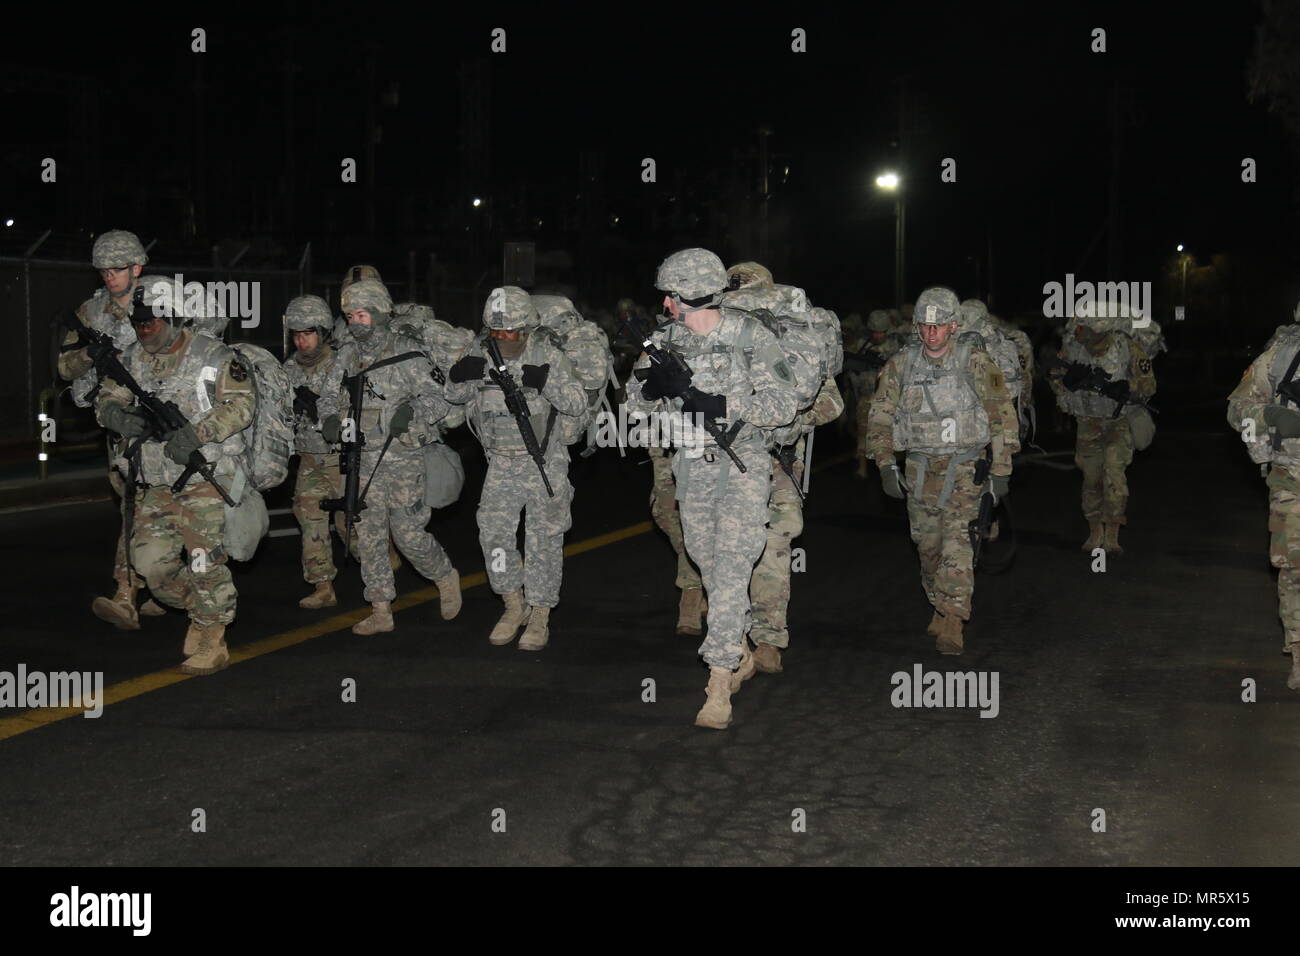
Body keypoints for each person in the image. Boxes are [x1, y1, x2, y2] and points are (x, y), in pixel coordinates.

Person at [624, 249, 799, 729]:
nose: (664, 302)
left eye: (670, 294)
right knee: (708, 562)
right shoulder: (662, 342)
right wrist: (652, 390)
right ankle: (738, 650)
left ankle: (718, 680)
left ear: (686, 294)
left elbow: (786, 402)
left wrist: (722, 403)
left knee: (732, 565)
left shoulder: (750, 336)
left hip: (742, 466)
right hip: (690, 469)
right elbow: (632, 408)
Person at [94, 277, 257, 674]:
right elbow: (107, 399)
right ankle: (205, 608)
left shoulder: (213, 355)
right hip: (155, 481)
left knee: (204, 561)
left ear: (172, 317)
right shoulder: (131, 357)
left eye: (151, 322)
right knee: (148, 564)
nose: (144, 329)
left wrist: (196, 434)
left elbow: (242, 405)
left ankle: (211, 635)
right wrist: (117, 415)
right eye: (138, 323)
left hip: (204, 477)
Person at [865, 286, 1018, 655]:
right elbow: (880, 417)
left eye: (939, 326)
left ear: (953, 326)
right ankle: (938, 600)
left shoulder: (977, 362)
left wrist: (1001, 471)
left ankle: (953, 617)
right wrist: (885, 464)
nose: (931, 333)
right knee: (928, 547)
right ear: (917, 327)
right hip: (919, 471)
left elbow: (1002, 415)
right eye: (924, 326)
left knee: (958, 544)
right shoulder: (901, 365)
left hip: (966, 467)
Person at [444, 286, 587, 650]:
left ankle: (540, 613)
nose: (501, 337)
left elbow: (576, 403)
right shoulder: (481, 350)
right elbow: (455, 398)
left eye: (507, 331)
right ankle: (512, 602)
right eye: (495, 331)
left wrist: (546, 380)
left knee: (544, 540)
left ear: (525, 328)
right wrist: (459, 376)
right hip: (501, 462)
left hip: (544, 461)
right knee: (493, 535)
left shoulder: (548, 352)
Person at [318, 278, 462, 634]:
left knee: (409, 534)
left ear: (380, 313)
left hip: (402, 459)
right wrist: (331, 420)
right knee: (367, 537)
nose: (355, 322)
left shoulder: (407, 352)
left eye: (362, 314)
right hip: (361, 459)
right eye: (350, 315)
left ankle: (444, 575)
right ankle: (380, 608)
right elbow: (326, 397)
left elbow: (438, 398)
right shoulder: (347, 355)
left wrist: (411, 411)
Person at [59, 229, 167, 629]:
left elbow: (202, 344)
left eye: (117, 268)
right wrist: (90, 353)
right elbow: (65, 368)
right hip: (121, 423)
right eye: (102, 270)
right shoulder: (91, 313)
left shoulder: (163, 300)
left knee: (169, 506)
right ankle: (130, 592)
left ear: (137, 267)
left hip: (165, 417)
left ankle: (157, 584)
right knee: (134, 505)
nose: (109, 276)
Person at [1228, 302, 1300, 689]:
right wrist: (1271, 418)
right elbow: (1238, 408)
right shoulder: (1285, 353)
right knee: (1295, 569)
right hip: (1294, 477)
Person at [1048, 303, 1159, 553]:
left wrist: (1126, 390)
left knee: (1115, 479)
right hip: (1087, 422)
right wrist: (1066, 384)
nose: (1084, 334)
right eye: (1083, 328)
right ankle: (1094, 529)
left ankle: (1112, 532)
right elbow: (1055, 375)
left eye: (1089, 329)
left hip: (1117, 423)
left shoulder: (1127, 347)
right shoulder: (1074, 348)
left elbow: (1149, 385)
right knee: (1091, 478)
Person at [282, 295, 346, 609]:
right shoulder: (288, 368)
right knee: (309, 515)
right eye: (296, 334)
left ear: (322, 332)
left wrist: (327, 412)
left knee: (353, 526)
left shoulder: (342, 363)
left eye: (307, 333)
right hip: (309, 456)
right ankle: (323, 586)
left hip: (340, 457)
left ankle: (384, 559)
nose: (302, 340)